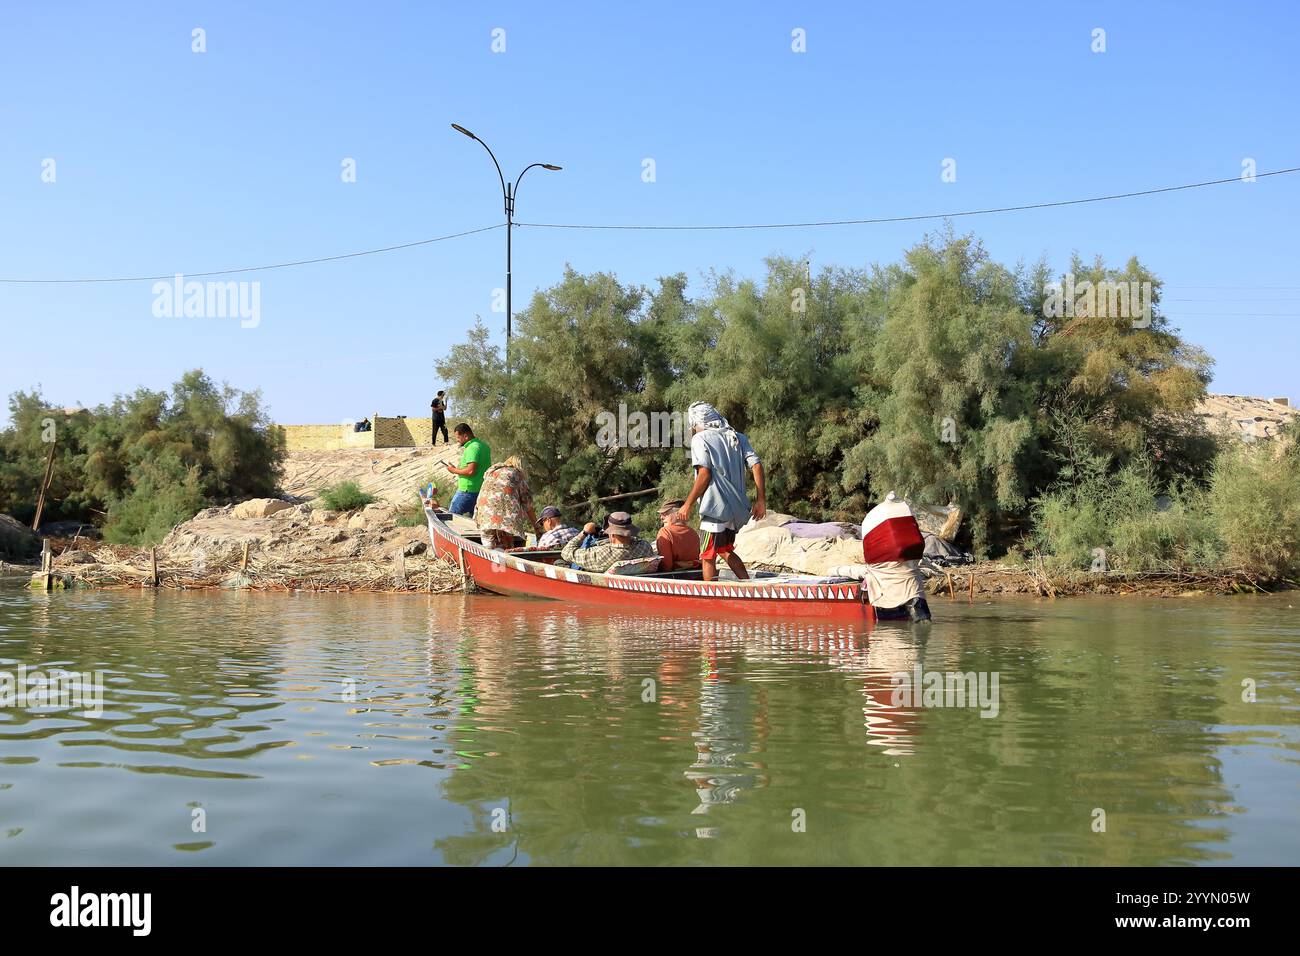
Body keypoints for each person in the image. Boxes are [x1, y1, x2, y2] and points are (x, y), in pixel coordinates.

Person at [677, 402, 766, 582]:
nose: (693, 429)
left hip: (714, 509)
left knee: (707, 555)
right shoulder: (738, 437)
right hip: (734, 510)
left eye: (693, 425)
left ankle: (709, 598)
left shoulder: (700, 439)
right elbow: (756, 465)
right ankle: (748, 586)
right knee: (725, 550)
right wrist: (761, 500)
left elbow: (704, 473)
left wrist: (687, 505)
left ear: (697, 422)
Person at [474, 455, 536, 550]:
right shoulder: (516, 474)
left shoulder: (492, 472)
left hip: (484, 513)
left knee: (488, 542)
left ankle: (488, 554)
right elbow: (528, 504)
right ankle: (502, 558)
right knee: (505, 545)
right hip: (504, 517)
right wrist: (536, 526)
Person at [560, 511, 655, 573]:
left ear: (612, 534)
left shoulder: (600, 554)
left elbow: (566, 552)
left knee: (559, 562)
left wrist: (584, 532)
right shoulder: (645, 546)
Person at [444, 423, 490, 517]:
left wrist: (453, 470)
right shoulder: (484, 446)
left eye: (458, 437)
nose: (457, 441)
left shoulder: (472, 448)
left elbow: (470, 471)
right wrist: (457, 469)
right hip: (480, 489)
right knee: (474, 521)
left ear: (465, 436)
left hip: (467, 490)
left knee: (452, 517)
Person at [655, 498, 701, 572]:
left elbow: (666, 565)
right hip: (695, 575)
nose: (661, 517)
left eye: (665, 514)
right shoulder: (693, 532)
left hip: (675, 578)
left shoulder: (665, 532)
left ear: (677, 514)